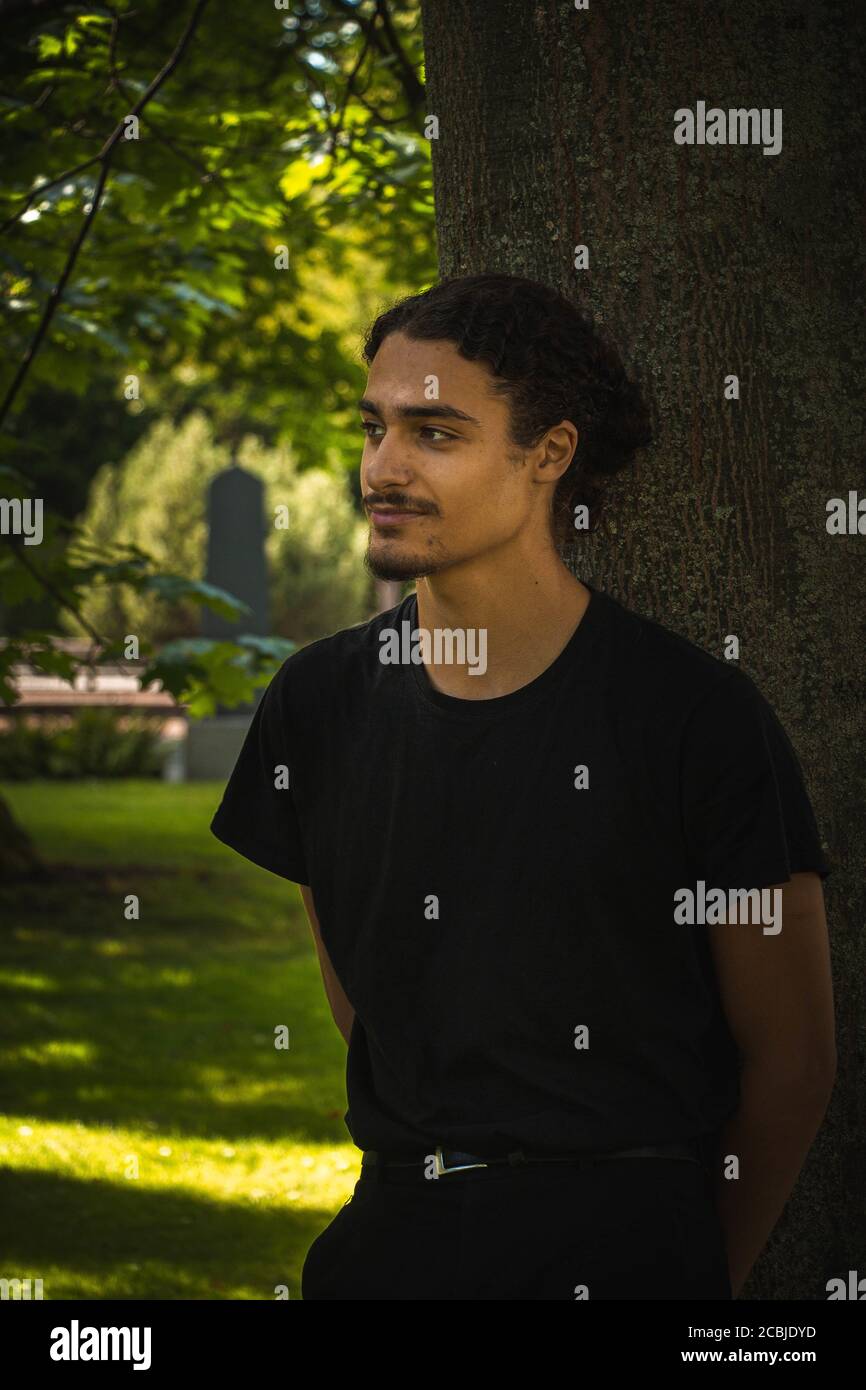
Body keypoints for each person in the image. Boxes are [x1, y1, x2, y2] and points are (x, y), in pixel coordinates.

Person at [210, 273, 836, 1301]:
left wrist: (692, 1279)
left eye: (435, 433)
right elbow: (374, 1013)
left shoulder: (689, 713)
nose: (384, 467)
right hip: (388, 1246)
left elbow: (792, 1062)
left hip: (624, 1251)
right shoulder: (316, 704)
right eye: (372, 428)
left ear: (547, 452)